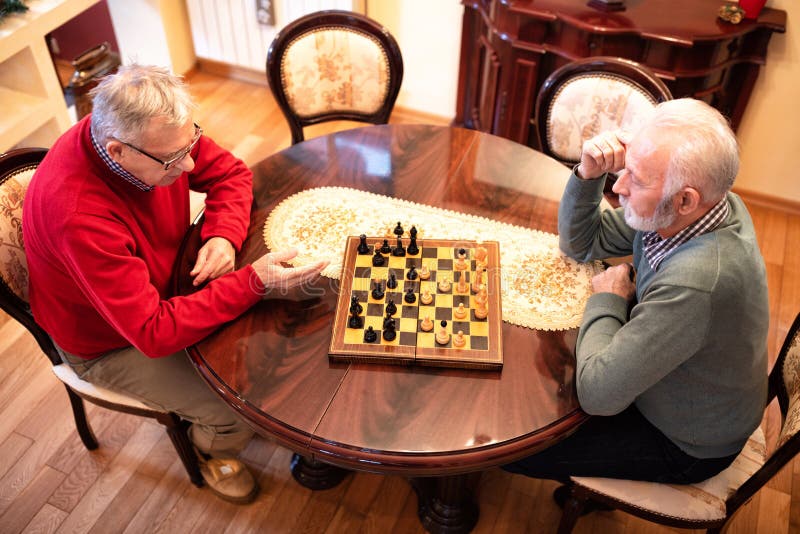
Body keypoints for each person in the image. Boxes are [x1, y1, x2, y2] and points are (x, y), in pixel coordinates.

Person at [23, 64, 328, 504]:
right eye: (171, 160)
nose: (187, 165)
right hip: (110, 341)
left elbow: (232, 174)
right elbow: (152, 332)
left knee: (271, 351)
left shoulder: (154, 133)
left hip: (164, 289)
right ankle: (216, 450)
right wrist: (253, 282)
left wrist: (223, 232)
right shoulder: (77, 216)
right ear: (118, 151)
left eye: (191, 145)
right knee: (238, 409)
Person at [504, 98, 768, 505]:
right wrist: (588, 175)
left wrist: (608, 299)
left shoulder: (697, 282)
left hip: (684, 440)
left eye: (638, 179)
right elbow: (581, 244)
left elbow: (597, 394)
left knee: (516, 443)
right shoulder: (703, 208)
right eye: (625, 168)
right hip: (677, 382)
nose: (620, 186)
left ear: (685, 200)